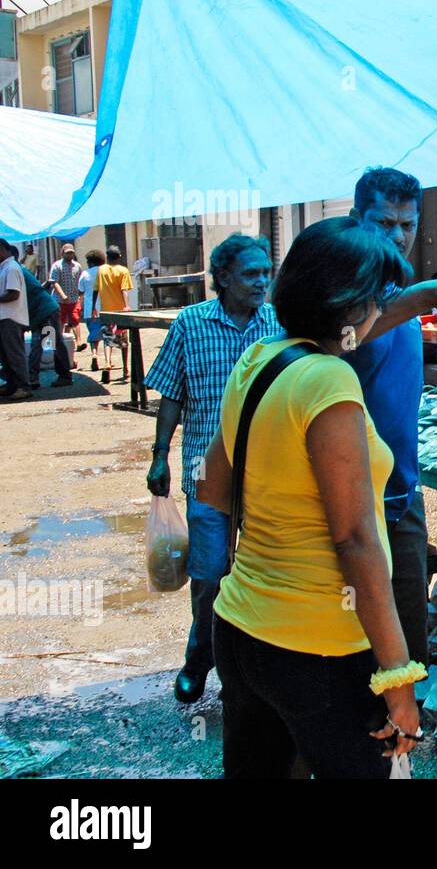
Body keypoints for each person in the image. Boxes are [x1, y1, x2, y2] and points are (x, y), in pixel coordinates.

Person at [197, 217, 421, 778]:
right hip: (318, 649)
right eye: (377, 299)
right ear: (349, 307)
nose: (379, 312)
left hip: (243, 630)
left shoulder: (259, 360)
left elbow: (212, 486)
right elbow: (356, 539)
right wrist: (399, 681)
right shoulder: (328, 383)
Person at [341, 167, 437, 668]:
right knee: (351, 651)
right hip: (347, 510)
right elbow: (345, 338)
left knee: (408, 650)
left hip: (401, 501)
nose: (397, 236)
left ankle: (402, 737)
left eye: (407, 225)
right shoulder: (341, 291)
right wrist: (427, 295)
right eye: (382, 223)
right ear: (354, 220)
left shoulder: (398, 292)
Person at [144, 235, 282, 703]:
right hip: (207, 476)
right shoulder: (191, 324)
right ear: (222, 278)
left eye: (266, 272)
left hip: (269, 477)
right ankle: (200, 656)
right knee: (208, 576)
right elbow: (172, 395)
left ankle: (244, 673)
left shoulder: (278, 325)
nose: (262, 281)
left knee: (261, 574)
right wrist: (159, 453)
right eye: (251, 274)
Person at [18, 250, 73, 389]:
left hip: (46, 312)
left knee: (53, 343)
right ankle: (32, 378)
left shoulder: (13, 271)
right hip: (40, 312)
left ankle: (64, 376)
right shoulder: (17, 269)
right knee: (37, 344)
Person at [96, 245, 134, 385]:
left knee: (107, 338)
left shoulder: (101, 270)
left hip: (106, 310)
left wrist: (94, 308)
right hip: (120, 312)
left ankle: (107, 363)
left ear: (107, 257)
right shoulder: (123, 270)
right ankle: (125, 370)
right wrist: (126, 306)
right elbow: (124, 290)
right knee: (123, 341)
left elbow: (96, 289)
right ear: (119, 257)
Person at [0, 240, 32, 400]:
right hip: (5, 317)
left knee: (14, 354)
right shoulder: (5, 268)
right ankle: (12, 385)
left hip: (11, 317)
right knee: (6, 355)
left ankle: (23, 386)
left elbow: (13, 294)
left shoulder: (11, 268)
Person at [49, 244, 85, 353]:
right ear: (63, 253)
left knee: (75, 319)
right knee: (61, 321)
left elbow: (80, 281)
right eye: (68, 252)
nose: (70, 254)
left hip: (74, 298)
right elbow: (54, 282)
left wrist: (81, 295)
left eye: (71, 252)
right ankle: (59, 342)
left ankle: (79, 342)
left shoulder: (77, 266)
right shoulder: (57, 265)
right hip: (59, 299)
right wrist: (63, 295)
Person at [79, 250, 106, 375]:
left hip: (91, 310)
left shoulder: (85, 274)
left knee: (93, 334)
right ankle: (107, 361)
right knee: (107, 336)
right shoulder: (105, 272)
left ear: (90, 262)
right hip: (106, 308)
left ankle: (94, 355)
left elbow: (81, 291)